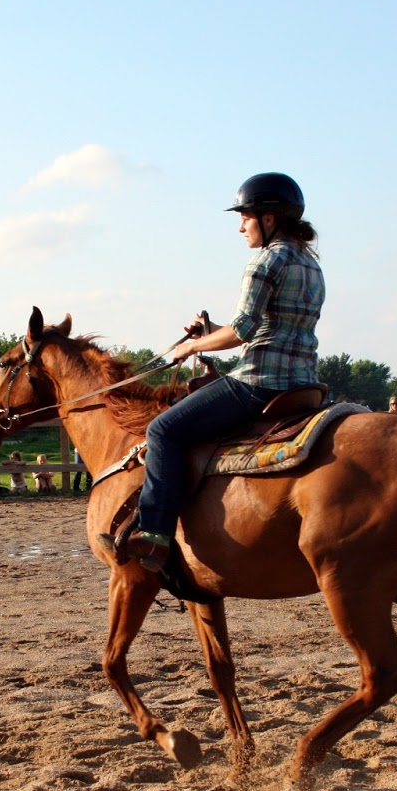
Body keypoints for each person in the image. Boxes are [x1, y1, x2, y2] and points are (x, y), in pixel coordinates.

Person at [124, 172, 324, 572]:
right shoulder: (310, 263)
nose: (240, 226)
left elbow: (245, 331)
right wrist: (212, 331)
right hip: (305, 383)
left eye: (245, 217)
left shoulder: (266, 259)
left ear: (269, 219)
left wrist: (191, 345)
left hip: (260, 383)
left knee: (163, 429)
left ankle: (154, 534)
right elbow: (270, 327)